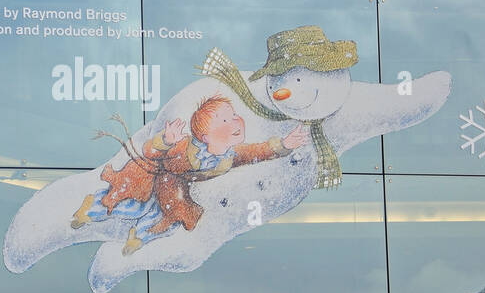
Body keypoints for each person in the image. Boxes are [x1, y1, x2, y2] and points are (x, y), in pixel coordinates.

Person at [71, 95, 308, 255]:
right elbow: (149, 151)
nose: (235, 120)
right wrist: (165, 140)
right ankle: (90, 209)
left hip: (174, 185)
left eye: (234, 115)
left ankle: (137, 238)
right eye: (225, 119)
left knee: (168, 215)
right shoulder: (184, 146)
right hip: (150, 174)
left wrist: (285, 144)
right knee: (131, 203)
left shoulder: (230, 154)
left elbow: (259, 151)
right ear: (205, 136)